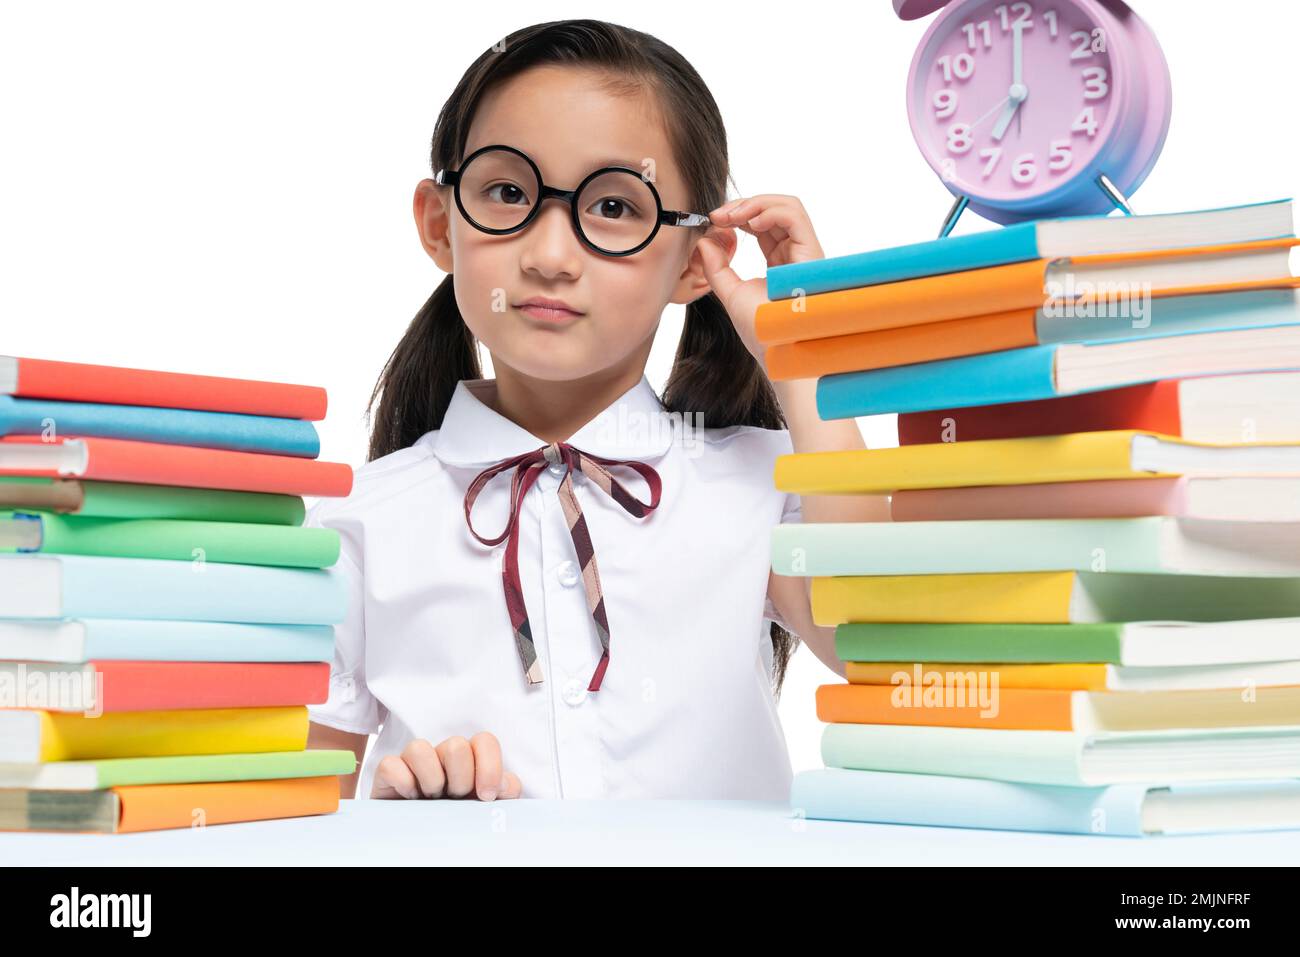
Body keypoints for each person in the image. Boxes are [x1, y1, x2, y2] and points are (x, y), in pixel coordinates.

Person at [305, 18, 887, 801]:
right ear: (441, 224)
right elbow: (294, 815)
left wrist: (805, 355)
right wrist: (399, 815)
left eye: (614, 206)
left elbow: (884, 645)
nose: (550, 255)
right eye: (507, 192)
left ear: (695, 260)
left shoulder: (762, 484)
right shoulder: (355, 526)